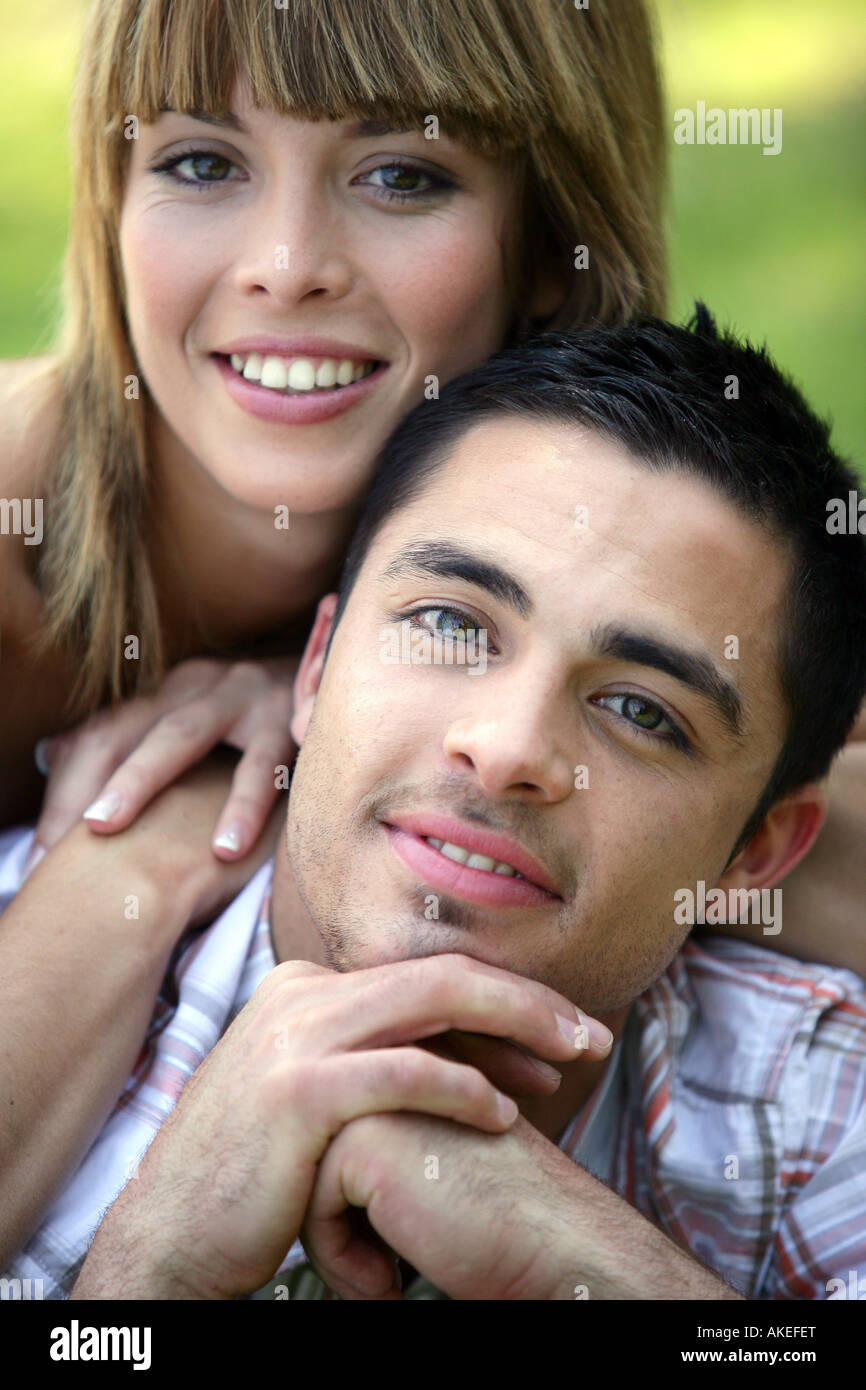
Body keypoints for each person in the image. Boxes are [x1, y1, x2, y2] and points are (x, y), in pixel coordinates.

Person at [6, 310, 865, 1300]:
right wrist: (152, 1271)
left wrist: (578, 1261)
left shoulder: (816, 1117)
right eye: (450, 623)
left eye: (639, 709)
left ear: (755, 854)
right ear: (314, 664)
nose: (505, 749)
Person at [0, 0, 665, 855]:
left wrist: (330, 701)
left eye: (399, 176)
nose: (285, 269)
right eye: (203, 163)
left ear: (550, 242)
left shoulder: (644, 527)